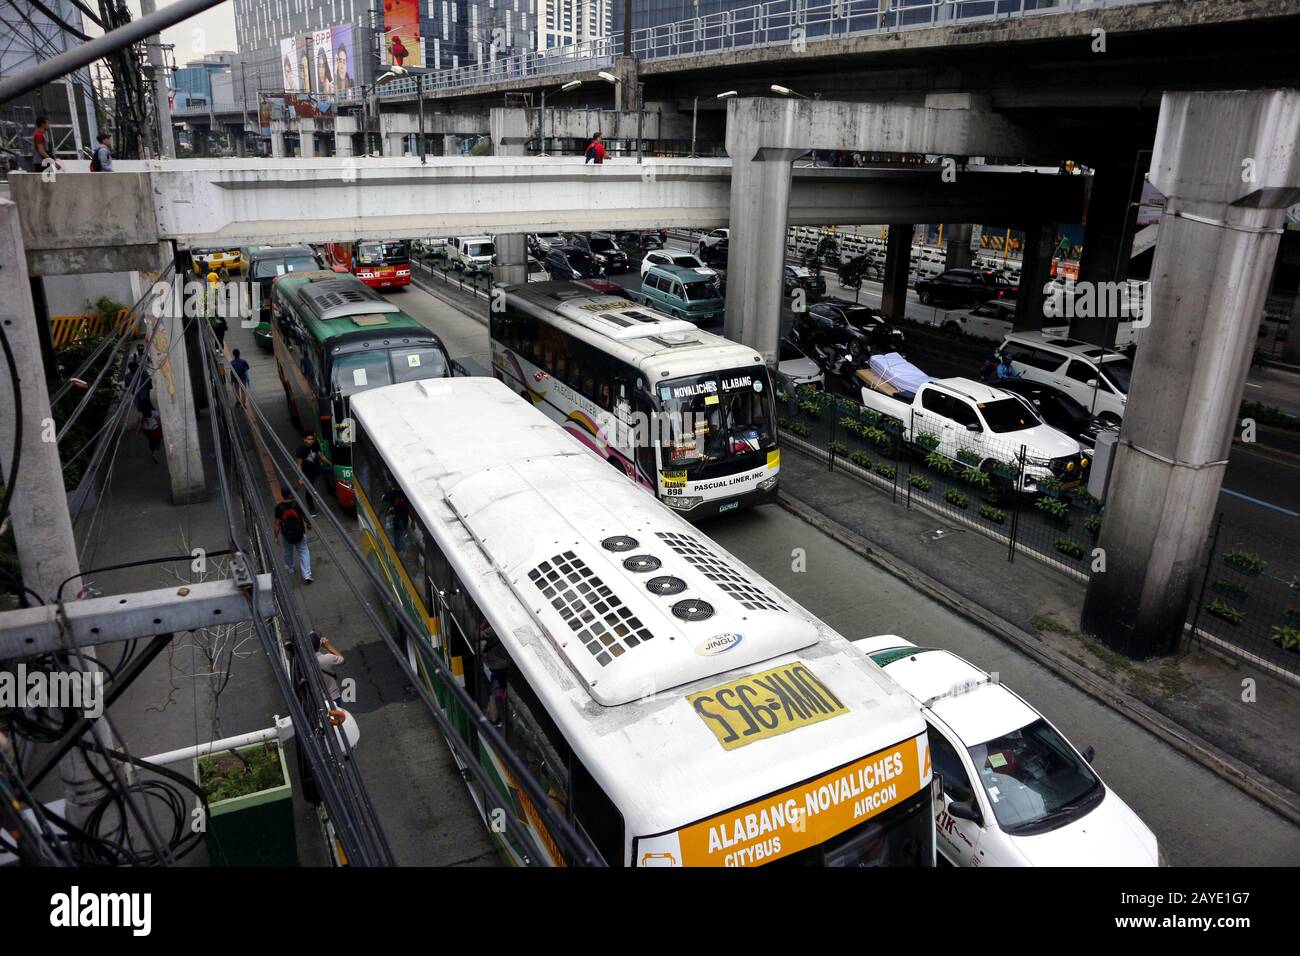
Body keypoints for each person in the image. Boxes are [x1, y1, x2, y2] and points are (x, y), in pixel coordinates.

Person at [273, 484, 313, 583]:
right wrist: (309, 525)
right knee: (304, 551)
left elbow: (277, 523)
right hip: (300, 533)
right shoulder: (298, 504)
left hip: (286, 535)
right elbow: (305, 517)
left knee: (287, 552)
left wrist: (276, 536)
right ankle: (307, 575)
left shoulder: (279, 507)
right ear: (290, 494)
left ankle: (290, 568)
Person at [479, 619, 509, 726]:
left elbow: (478, 635)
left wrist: (483, 624)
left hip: (493, 665)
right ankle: (499, 703)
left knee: (494, 687)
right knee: (501, 686)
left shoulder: (493, 630)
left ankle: (495, 714)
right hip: (504, 665)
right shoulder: (509, 630)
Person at [294, 431, 327, 517]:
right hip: (308, 472)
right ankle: (312, 509)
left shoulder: (315, 445)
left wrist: (331, 465)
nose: (311, 441)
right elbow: (299, 465)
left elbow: (321, 456)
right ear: (304, 440)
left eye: (312, 439)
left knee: (331, 470)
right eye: (309, 439)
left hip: (317, 468)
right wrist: (301, 477)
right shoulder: (301, 449)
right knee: (309, 490)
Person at [311, 631, 345, 704]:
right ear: (319, 645)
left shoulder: (305, 661)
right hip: (333, 697)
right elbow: (342, 660)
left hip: (317, 700)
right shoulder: (328, 658)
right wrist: (328, 646)